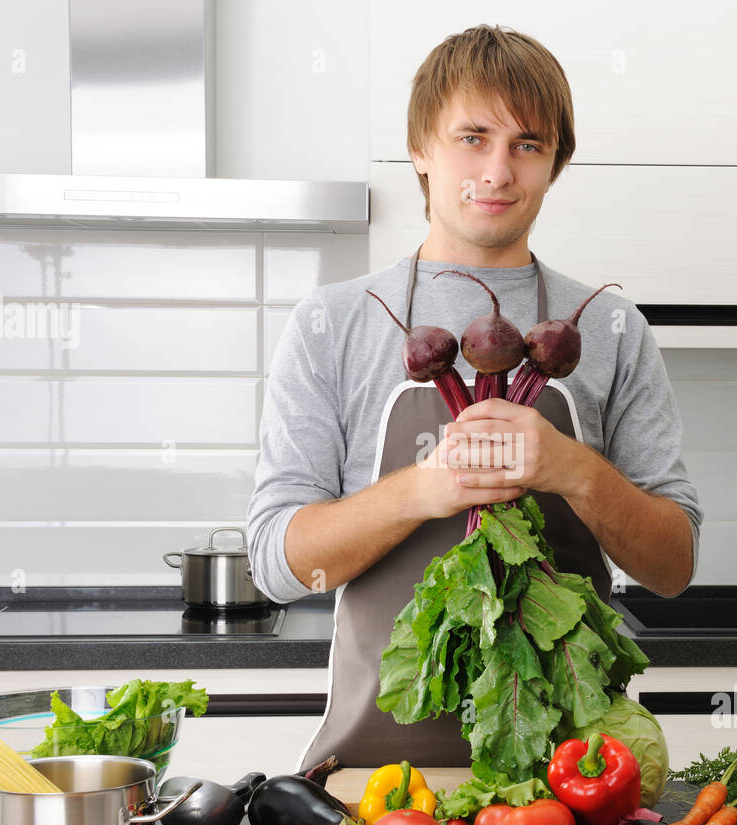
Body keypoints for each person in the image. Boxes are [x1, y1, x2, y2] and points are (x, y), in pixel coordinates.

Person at [247, 24, 701, 773]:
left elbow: (673, 568)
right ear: (421, 148)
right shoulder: (334, 323)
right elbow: (277, 566)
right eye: (472, 137)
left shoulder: (614, 329)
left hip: (578, 780)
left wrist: (572, 470)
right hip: (377, 785)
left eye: (529, 144)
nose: (498, 170)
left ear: (555, 165)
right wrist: (425, 490)